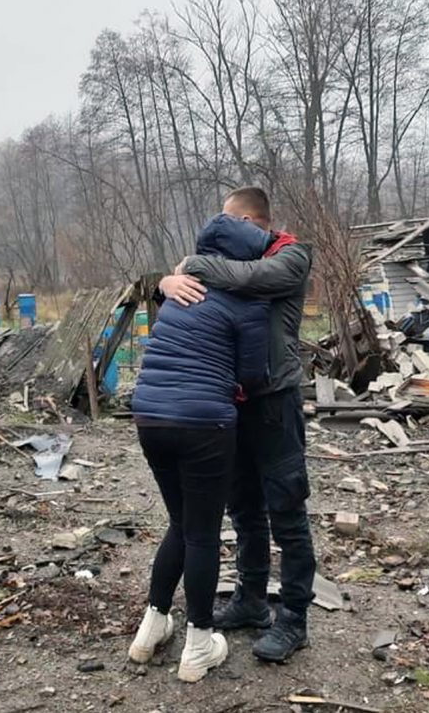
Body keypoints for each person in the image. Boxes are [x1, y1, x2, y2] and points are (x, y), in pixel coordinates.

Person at [157, 186, 316, 663]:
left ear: (248, 223)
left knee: (287, 510)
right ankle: (251, 600)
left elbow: (251, 278)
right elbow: (193, 294)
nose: (222, 231)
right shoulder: (230, 260)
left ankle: (294, 618)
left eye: (227, 221)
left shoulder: (291, 256)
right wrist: (167, 283)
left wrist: (192, 264)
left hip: (275, 403)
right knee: (244, 507)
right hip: (232, 404)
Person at [127, 213, 272, 682]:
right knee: (204, 534)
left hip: (150, 416)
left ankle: (151, 628)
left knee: (180, 523)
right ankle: (199, 645)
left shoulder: (180, 291)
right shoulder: (247, 303)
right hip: (204, 424)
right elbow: (252, 376)